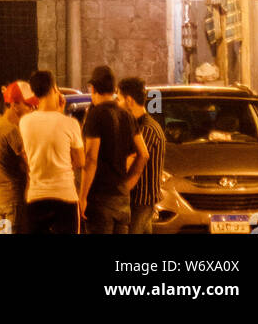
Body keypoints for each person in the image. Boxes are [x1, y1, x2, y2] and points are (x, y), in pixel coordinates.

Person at [80, 64, 149, 235]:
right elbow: (143, 154)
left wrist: (82, 197)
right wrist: (129, 182)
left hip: (99, 198)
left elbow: (91, 159)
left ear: (93, 88)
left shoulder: (95, 115)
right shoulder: (127, 115)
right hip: (122, 199)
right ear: (113, 89)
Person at [19, 69, 85, 234]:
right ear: (55, 88)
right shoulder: (70, 124)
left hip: (36, 196)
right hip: (65, 197)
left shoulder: (25, 122)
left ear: (34, 93)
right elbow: (81, 161)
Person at [0, 81, 38, 233]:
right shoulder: (11, 131)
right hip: (14, 202)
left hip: (0, 200)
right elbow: (30, 164)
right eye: (28, 105)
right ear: (15, 105)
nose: (33, 108)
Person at [118, 76, 166, 235]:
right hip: (140, 199)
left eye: (119, 99)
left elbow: (130, 160)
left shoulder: (146, 129)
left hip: (141, 199)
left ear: (129, 100)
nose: (118, 104)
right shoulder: (138, 125)